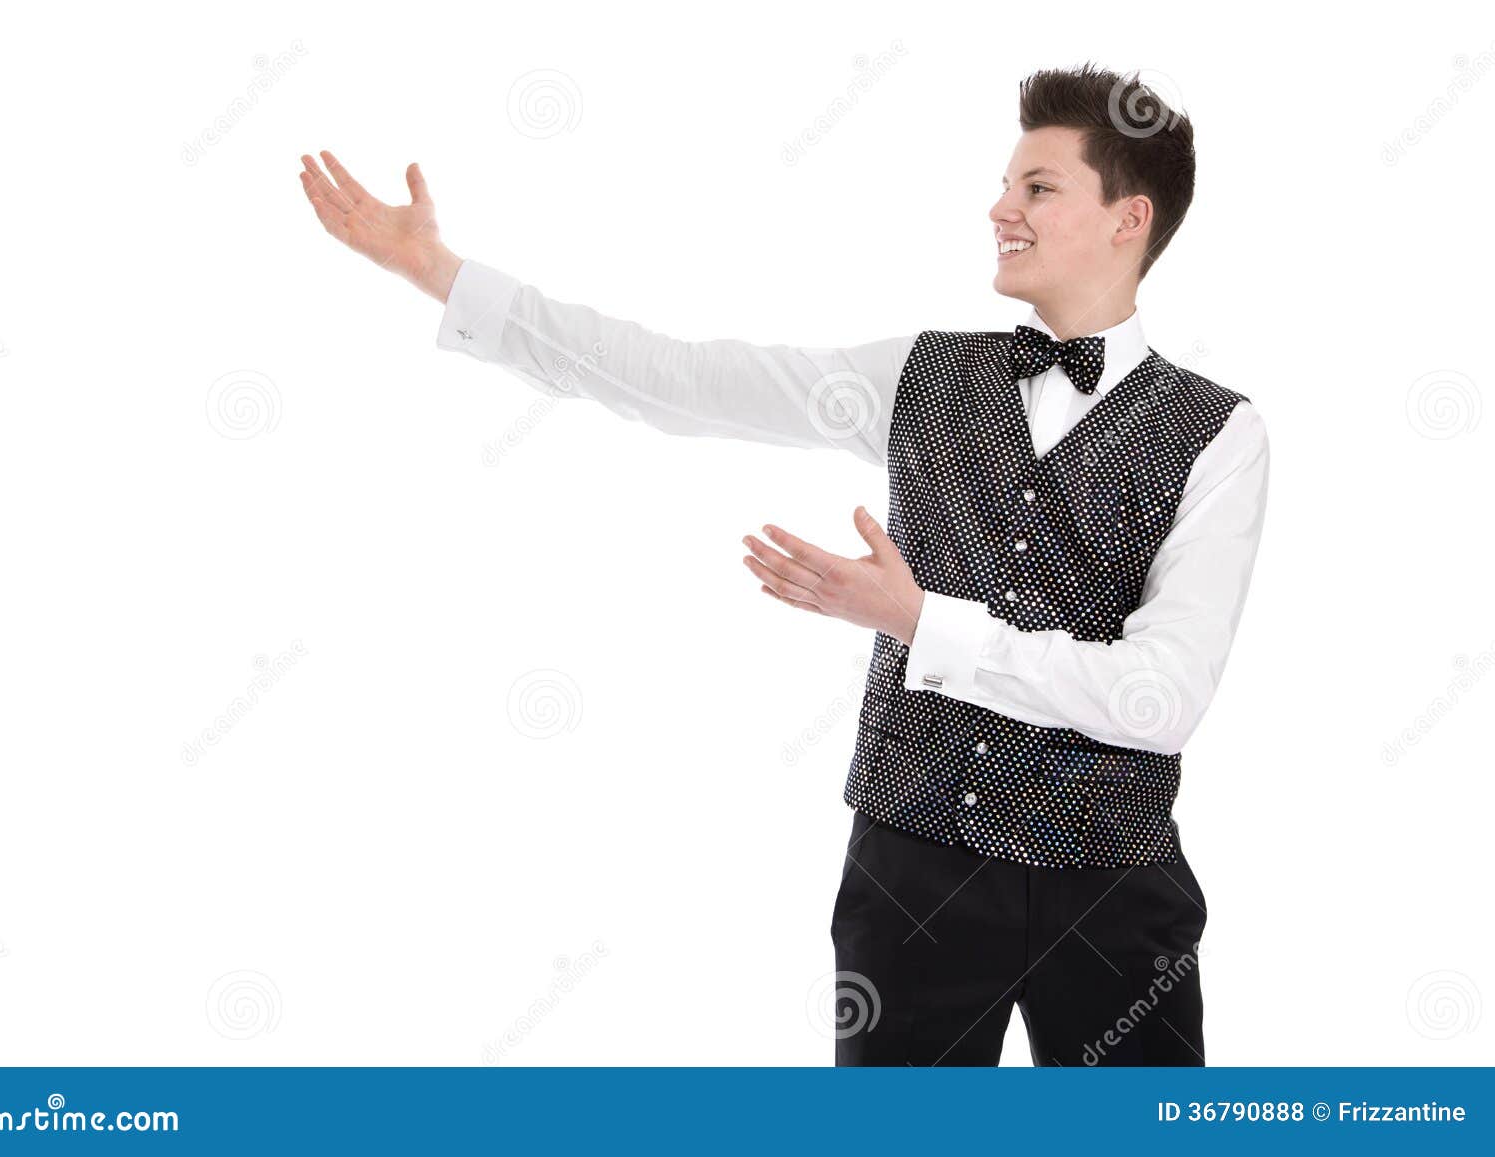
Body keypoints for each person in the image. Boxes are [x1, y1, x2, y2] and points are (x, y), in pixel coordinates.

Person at [297, 62, 1269, 1067]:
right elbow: (682, 380)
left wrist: (920, 620)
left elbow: (1162, 697)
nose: (998, 207)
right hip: (911, 879)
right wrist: (444, 275)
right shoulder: (917, 375)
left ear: (1127, 219)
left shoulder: (1219, 433)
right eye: (1005, 183)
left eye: (1036, 187)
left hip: (1112, 891)